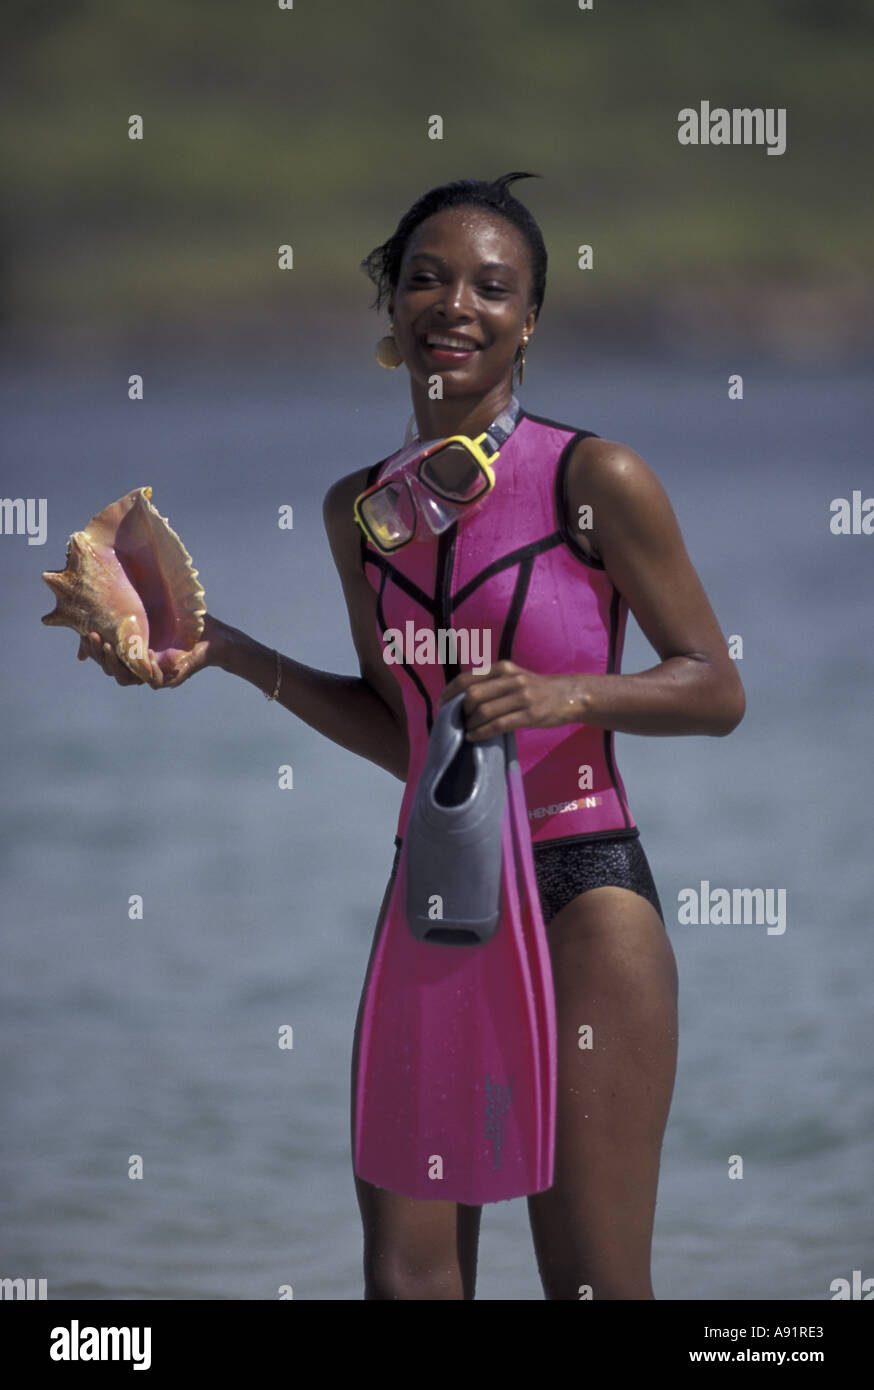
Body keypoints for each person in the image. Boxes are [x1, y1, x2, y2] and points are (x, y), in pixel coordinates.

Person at [82, 172, 745, 1300]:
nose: (457, 305)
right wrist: (229, 650)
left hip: (585, 893)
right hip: (435, 896)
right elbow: (408, 739)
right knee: (407, 1279)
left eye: (493, 287)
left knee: (589, 1282)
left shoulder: (596, 477)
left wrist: (565, 697)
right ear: (391, 306)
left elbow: (715, 688)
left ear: (529, 320)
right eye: (427, 279)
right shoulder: (360, 513)